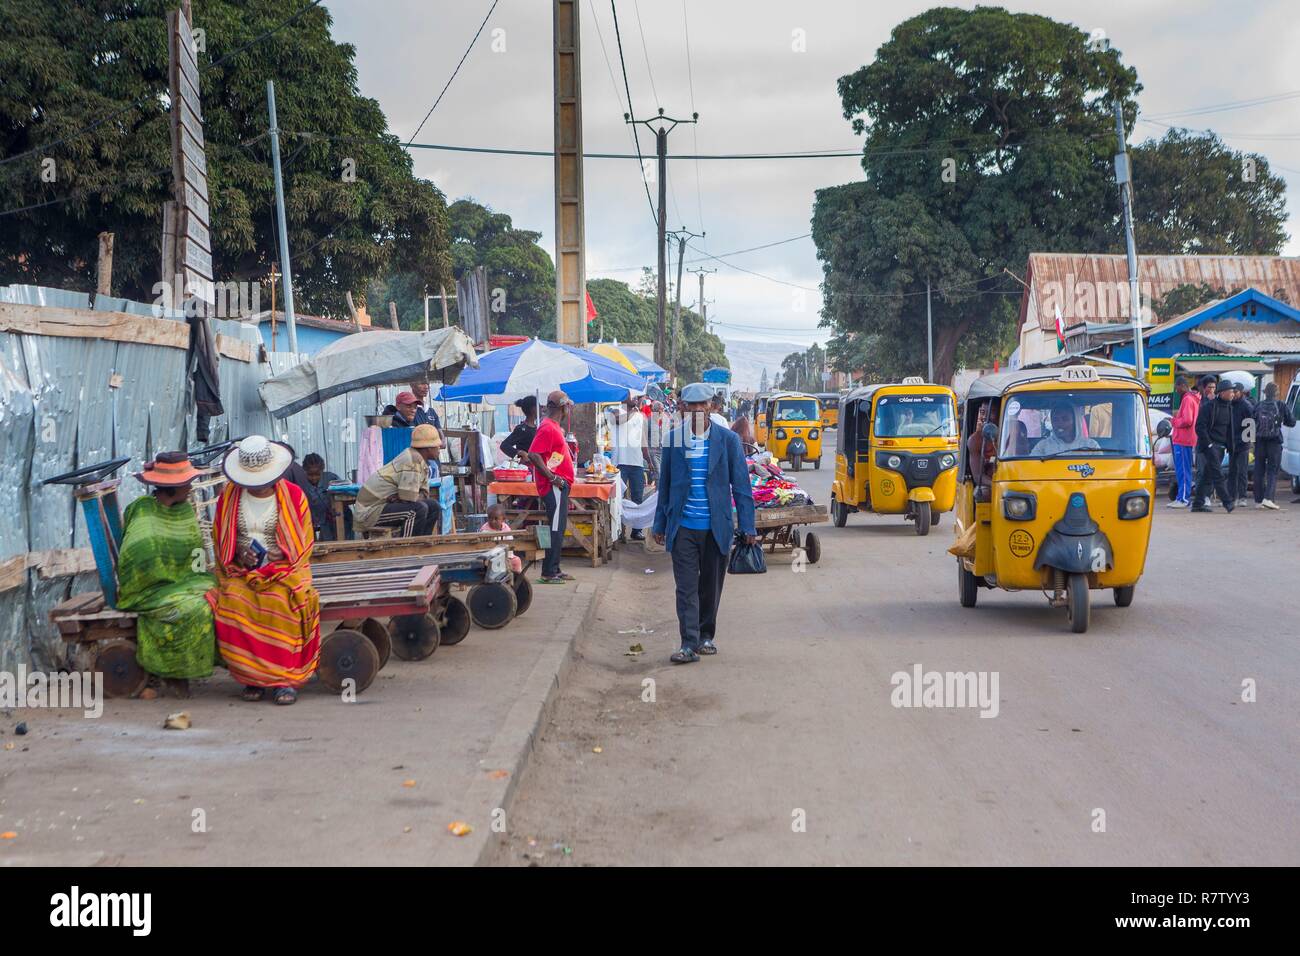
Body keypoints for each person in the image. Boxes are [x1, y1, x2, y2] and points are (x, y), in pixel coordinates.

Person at [208, 436, 321, 705]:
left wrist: (283, 551)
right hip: (241, 570)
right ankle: (252, 678)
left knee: (282, 603)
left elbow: (304, 542)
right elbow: (221, 539)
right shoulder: (229, 497)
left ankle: (284, 680)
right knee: (233, 602)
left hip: (285, 568)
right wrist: (238, 554)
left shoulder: (294, 496)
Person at [653, 382, 757, 665]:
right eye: (692, 405)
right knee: (685, 588)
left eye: (703, 404)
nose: (698, 410)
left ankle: (705, 635)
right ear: (684, 408)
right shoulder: (673, 439)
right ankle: (688, 643)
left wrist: (748, 526)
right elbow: (666, 486)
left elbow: (742, 487)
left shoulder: (728, 440)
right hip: (683, 526)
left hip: (716, 527)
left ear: (712, 406)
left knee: (710, 586)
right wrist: (659, 524)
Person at [115, 452, 217, 699]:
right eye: (187, 483)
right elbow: (137, 556)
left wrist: (198, 578)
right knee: (197, 610)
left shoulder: (184, 511)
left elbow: (196, 554)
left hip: (184, 582)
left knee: (220, 595)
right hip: (148, 589)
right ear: (174, 487)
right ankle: (174, 673)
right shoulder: (142, 511)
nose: (191, 487)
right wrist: (166, 577)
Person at [351, 424, 443, 537]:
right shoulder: (412, 460)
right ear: (428, 447)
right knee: (416, 511)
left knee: (434, 506)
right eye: (437, 446)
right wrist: (403, 498)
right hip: (369, 512)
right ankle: (406, 548)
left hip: (384, 505)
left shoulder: (421, 462)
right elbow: (409, 499)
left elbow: (423, 495)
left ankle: (422, 545)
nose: (440, 449)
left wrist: (400, 498)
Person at [528, 390, 577, 584]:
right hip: (554, 486)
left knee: (559, 527)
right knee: (556, 528)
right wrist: (552, 477)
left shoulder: (552, 426)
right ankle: (549, 571)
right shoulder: (548, 427)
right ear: (564, 408)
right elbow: (534, 454)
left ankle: (555, 568)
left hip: (560, 484)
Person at [605, 396, 651, 541]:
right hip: (619, 463)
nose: (636, 398)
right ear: (624, 397)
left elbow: (643, 440)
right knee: (618, 498)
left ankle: (636, 530)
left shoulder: (640, 416)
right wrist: (633, 411)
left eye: (638, 396)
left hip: (637, 463)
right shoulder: (614, 411)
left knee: (638, 498)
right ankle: (618, 531)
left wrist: (648, 460)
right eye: (633, 396)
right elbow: (619, 420)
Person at [1192, 379, 1236, 513]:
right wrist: (1209, 444)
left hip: (1221, 447)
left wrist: (1231, 446)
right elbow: (1199, 427)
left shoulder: (1229, 407)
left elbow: (1229, 429)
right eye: (1231, 391)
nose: (1233, 394)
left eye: (1233, 391)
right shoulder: (1209, 407)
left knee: (1207, 476)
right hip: (1210, 447)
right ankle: (1227, 502)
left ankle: (1197, 504)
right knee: (1218, 474)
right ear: (1222, 393)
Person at [1252, 382, 1295, 509]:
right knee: (1272, 470)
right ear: (1276, 393)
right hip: (1274, 442)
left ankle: (1258, 500)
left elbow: (1251, 421)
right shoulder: (1280, 405)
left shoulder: (1258, 405)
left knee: (1258, 470)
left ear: (1265, 393)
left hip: (1259, 441)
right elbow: (1291, 422)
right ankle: (1269, 498)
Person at [1168, 376, 1199, 508]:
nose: (1176, 390)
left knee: (1183, 470)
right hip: (1184, 439)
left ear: (1183, 386)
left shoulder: (1187, 399)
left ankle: (1184, 499)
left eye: (1177, 387)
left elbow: (1187, 420)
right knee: (1183, 470)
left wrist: (1173, 421)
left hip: (1183, 440)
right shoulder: (1192, 398)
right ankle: (1181, 497)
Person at [300, 452, 343, 538]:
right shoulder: (301, 483)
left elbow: (343, 493)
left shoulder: (331, 479)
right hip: (310, 519)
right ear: (304, 471)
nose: (314, 478)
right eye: (310, 475)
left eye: (317, 474)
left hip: (331, 518)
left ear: (322, 471)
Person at [1031, 402, 1100, 456]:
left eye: (1065, 419)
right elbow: (1030, 468)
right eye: (1055, 419)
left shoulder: (1091, 446)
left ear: (1075, 421)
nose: (1059, 423)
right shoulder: (1043, 447)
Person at [1229, 380, 1255, 506]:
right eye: (1232, 392)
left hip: (1243, 443)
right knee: (1232, 471)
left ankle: (1243, 497)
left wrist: (1248, 441)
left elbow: (1251, 424)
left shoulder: (1246, 405)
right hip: (1232, 443)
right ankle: (1232, 497)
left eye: (1236, 392)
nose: (1233, 394)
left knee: (1242, 471)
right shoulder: (1230, 404)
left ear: (1241, 392)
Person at [481, 503, 524, 574]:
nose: (492, 521)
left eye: (496, 519)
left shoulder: (506, 528)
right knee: (490, 564)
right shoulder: (485, 529)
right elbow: (483, 545)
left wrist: (508, 557)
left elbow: (510, 542)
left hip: (505, 554)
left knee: (517, 561)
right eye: (490, 518)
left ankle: (517, 577)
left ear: (503, 519)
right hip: (490, 556)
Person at [967, 401, 997, 494]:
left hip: (1013, 480)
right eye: (983, 412)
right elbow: (978, 476)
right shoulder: (975, 440)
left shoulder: (1015, 431)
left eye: (991, 412)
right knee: (984, 493)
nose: (985, 417)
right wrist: (998, 485)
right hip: (991, 484)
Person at [498, 396, 539, 463]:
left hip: (537, 467)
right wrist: (521, 453)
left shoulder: (538, 428)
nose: (541, 409)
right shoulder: (522, 429)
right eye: (539, 407)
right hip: (526, 468)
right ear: (533, 409)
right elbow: (504, 445)